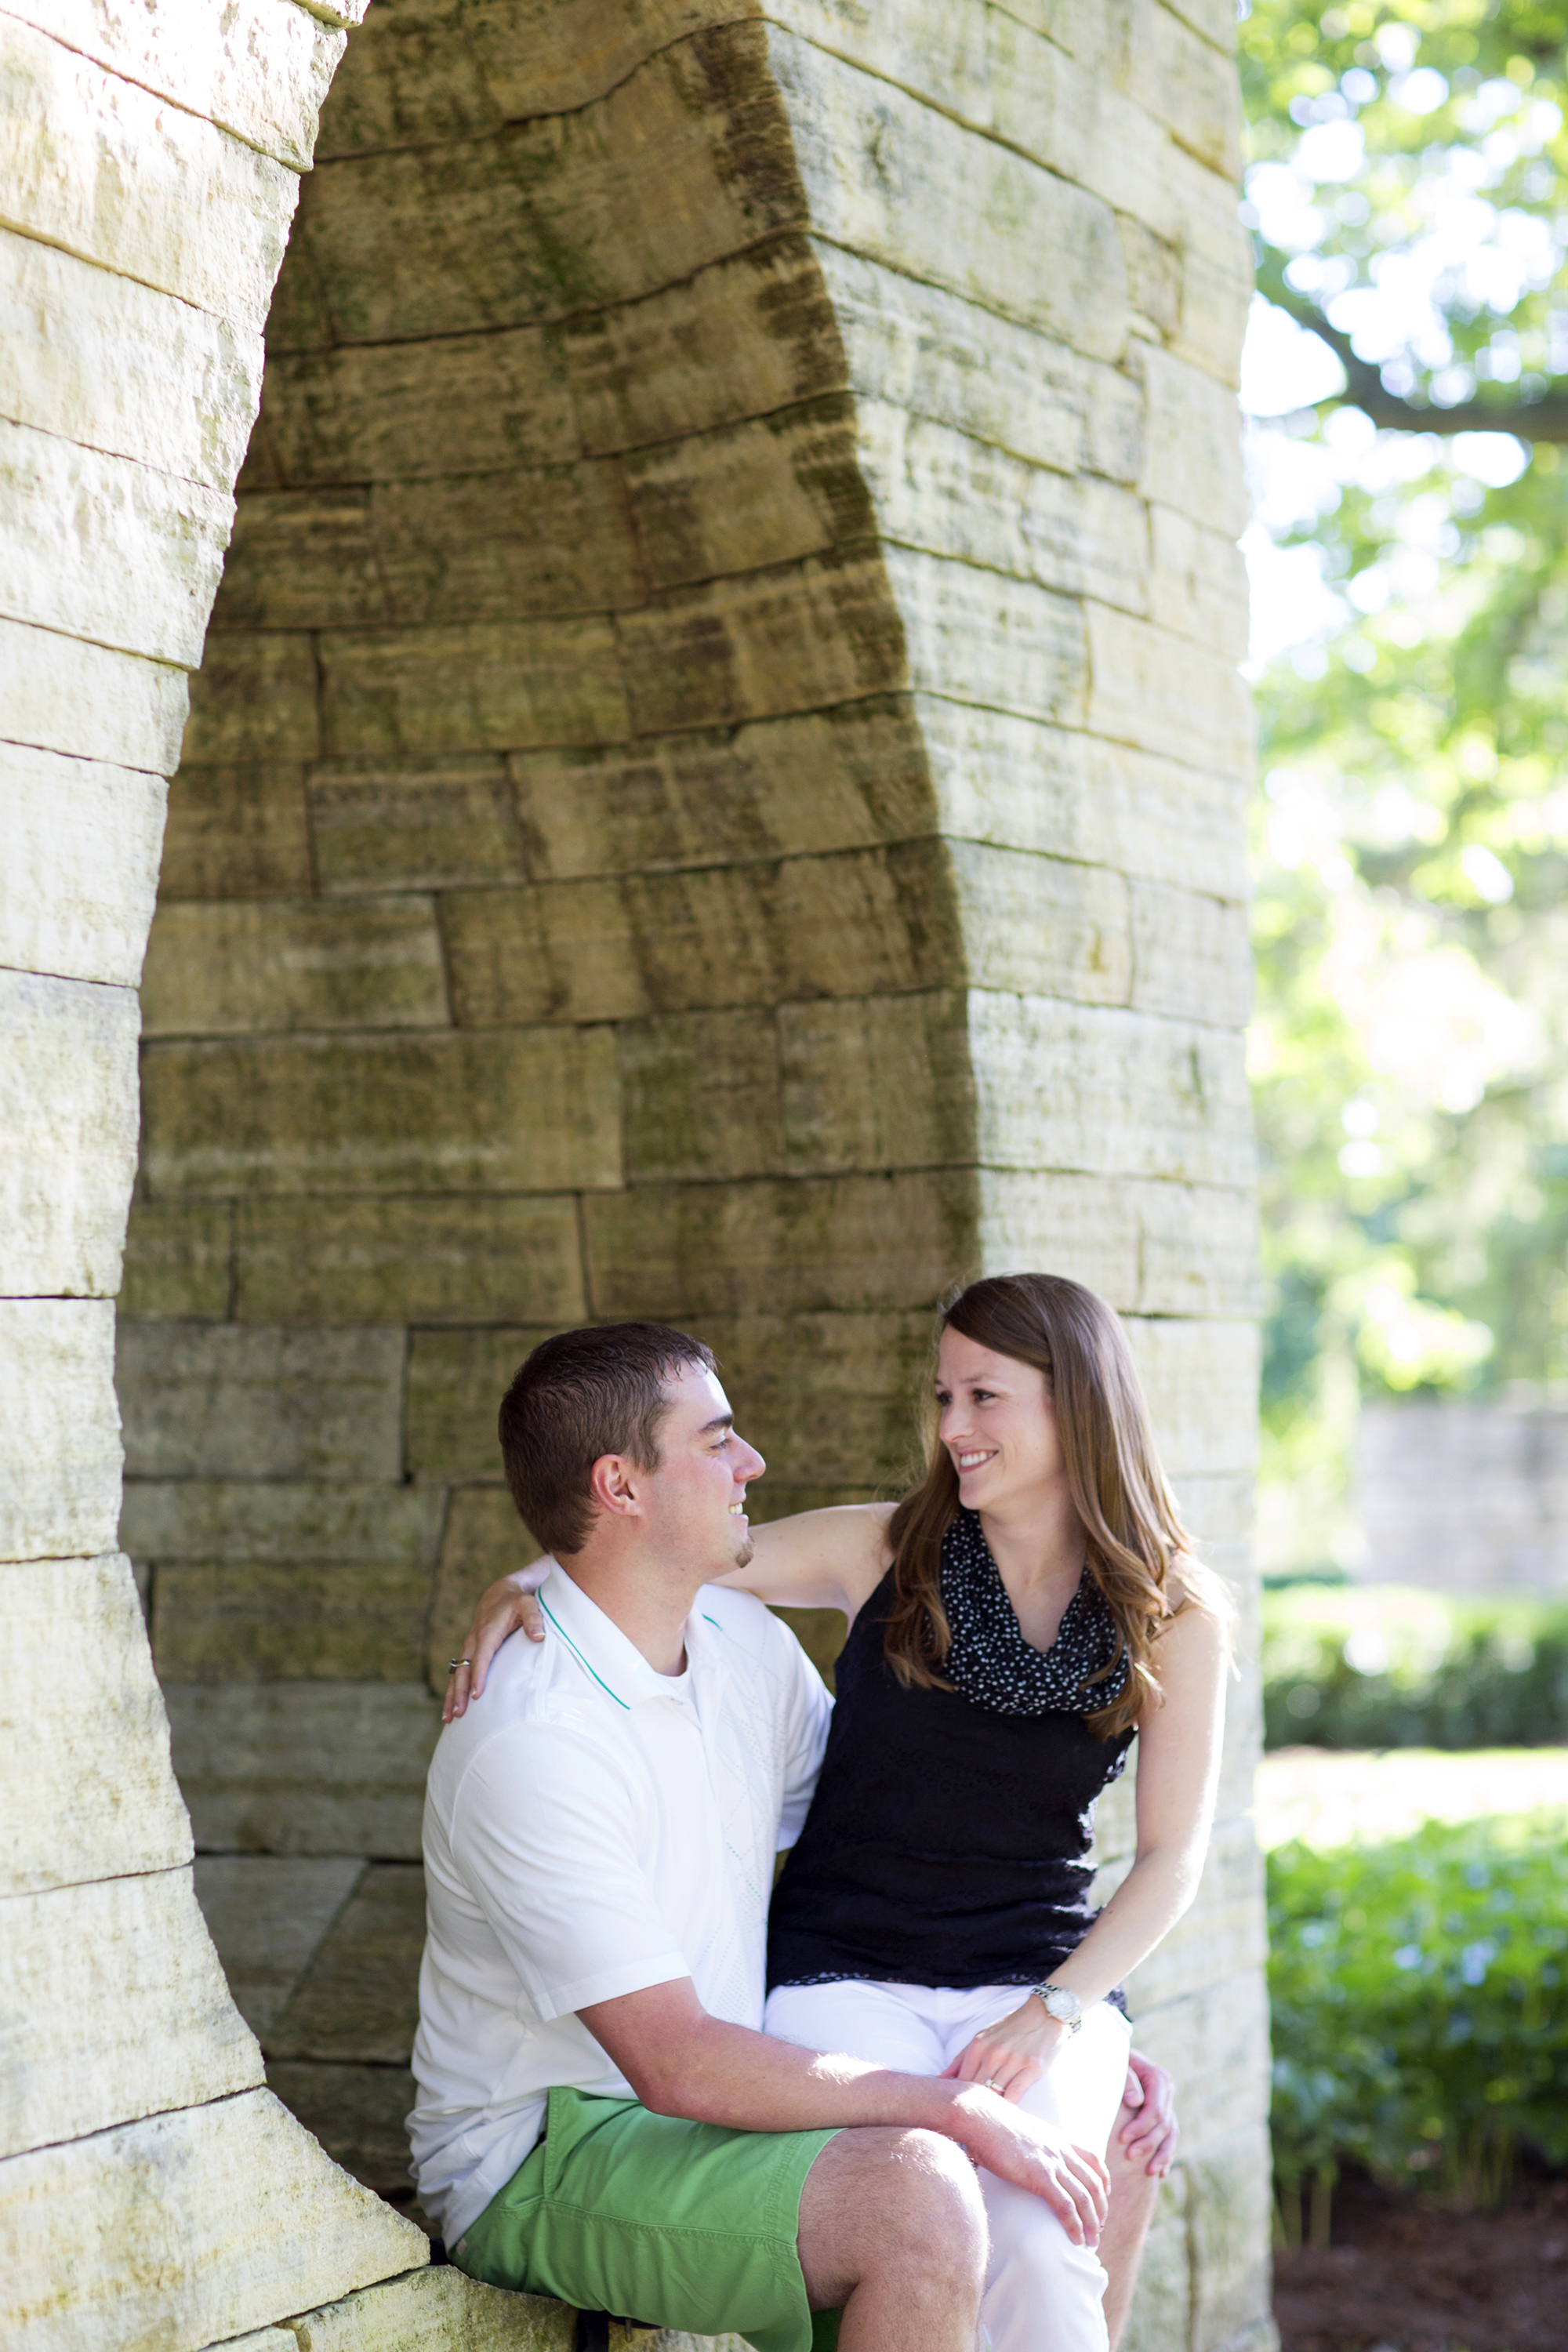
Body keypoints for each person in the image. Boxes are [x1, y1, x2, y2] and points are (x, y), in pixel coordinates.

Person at [446, 1274, 1228, 2352]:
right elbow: (650, 1546)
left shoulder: (1171, 1608)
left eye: (983, 1397)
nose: (951, 1427)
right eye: (943, 1396)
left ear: (1077, 1401)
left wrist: (1072, 2016)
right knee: (937, 2204)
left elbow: (1167, 1855)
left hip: (1023, 1976)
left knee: (1053, 2234)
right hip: (826, 1985)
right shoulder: (886, 1548)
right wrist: (524, 1580)